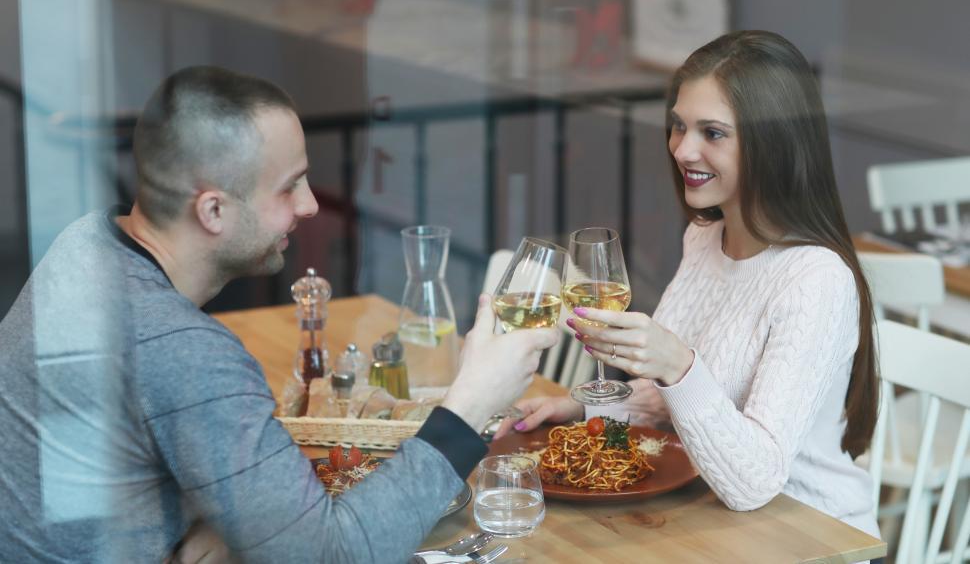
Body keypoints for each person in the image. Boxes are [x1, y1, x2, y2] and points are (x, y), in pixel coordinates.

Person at [0, 66, 559, 563]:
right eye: (289, 187)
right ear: (213, 210)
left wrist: (237, 526)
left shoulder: (87, 243)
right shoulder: (183, 349)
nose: (310, 205)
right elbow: (332, 555)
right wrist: (469, 406)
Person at [502, 30, 880, 538]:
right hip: (715, 514)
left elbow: (753, 483)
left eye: (713, 133)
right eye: (679, 126)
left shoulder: (816, 279)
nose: (682, 149)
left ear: (773, 145)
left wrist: (677, 364)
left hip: (812, 535)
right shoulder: (704, 236)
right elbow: (681, 402)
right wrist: (585, 408)